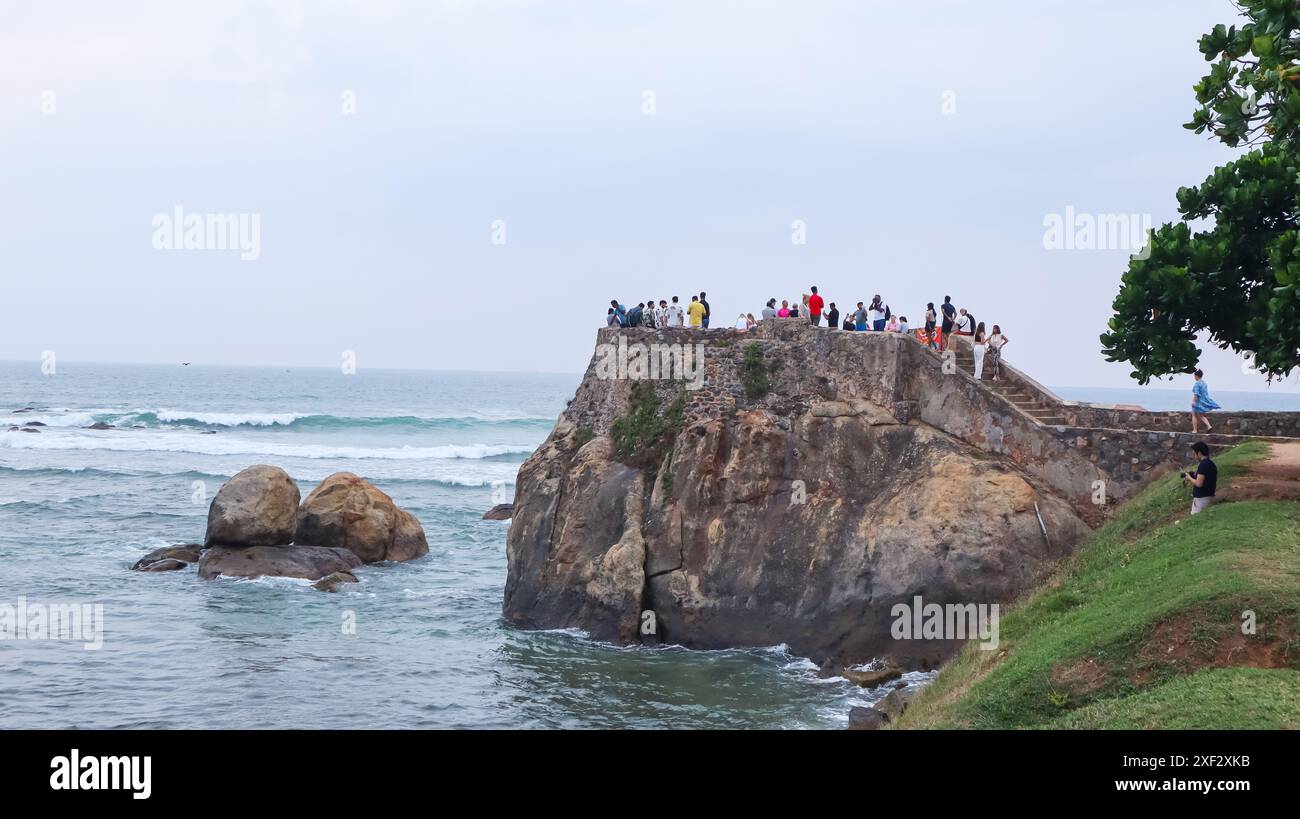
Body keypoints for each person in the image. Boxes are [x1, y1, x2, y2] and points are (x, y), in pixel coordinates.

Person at [1184, 441, 1218, 514]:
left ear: (1199, 453)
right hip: (1206, 497)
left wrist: (1189, 478)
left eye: (1194, 454)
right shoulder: (1210, 463)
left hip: (1202, 499)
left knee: (1196, 520)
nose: (1194, 456)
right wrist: (1194, 474)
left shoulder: (1203, 465)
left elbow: (1199, 484)